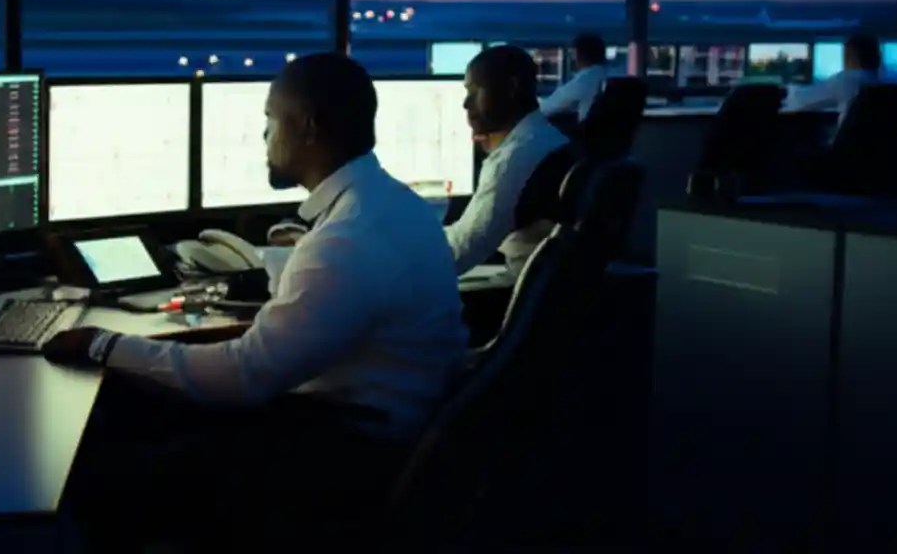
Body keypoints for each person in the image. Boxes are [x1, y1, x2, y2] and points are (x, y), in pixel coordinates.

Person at [45, 53, 468, 551]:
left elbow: (244, 376)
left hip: (349, 454)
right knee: (143, 421)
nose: (263, 137)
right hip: (387, 434)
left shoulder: (348, 239)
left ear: (307, 127)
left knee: (114, 474)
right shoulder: (394, 205)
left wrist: (103, 345)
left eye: (270, 120)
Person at [447, 45, 571, 282]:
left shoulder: (515, 158)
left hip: (521, 293)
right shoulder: (545, 139)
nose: (466, 103)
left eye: (475, 91)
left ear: (511, 88)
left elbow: (462, 250)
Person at [787, 33, 897, 126]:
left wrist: (789, 89)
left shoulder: (844, 80)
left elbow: (799, 100)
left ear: (851, 56)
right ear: (878, 56)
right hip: (885, 157)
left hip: (847, 156)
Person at [539, 32, 614, 120]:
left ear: (578, 54)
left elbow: (546, 108)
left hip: (588, 131)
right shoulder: (610, 76)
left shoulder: (584, 81)